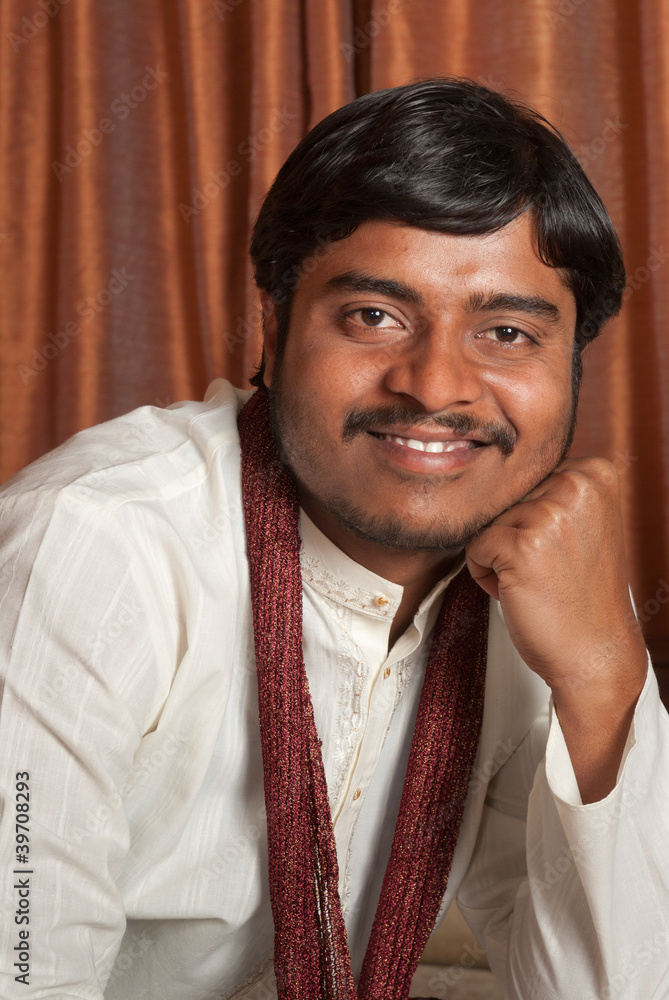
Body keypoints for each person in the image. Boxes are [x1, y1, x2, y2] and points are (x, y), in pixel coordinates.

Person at [0, 77, 667, 1000]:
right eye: (374, 317)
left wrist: (604, 679)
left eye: (506, 331)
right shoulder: (99, 542)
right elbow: (23, 967)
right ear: (273, 329)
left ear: (571, 365)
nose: (436, 385)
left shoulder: (554, 580)